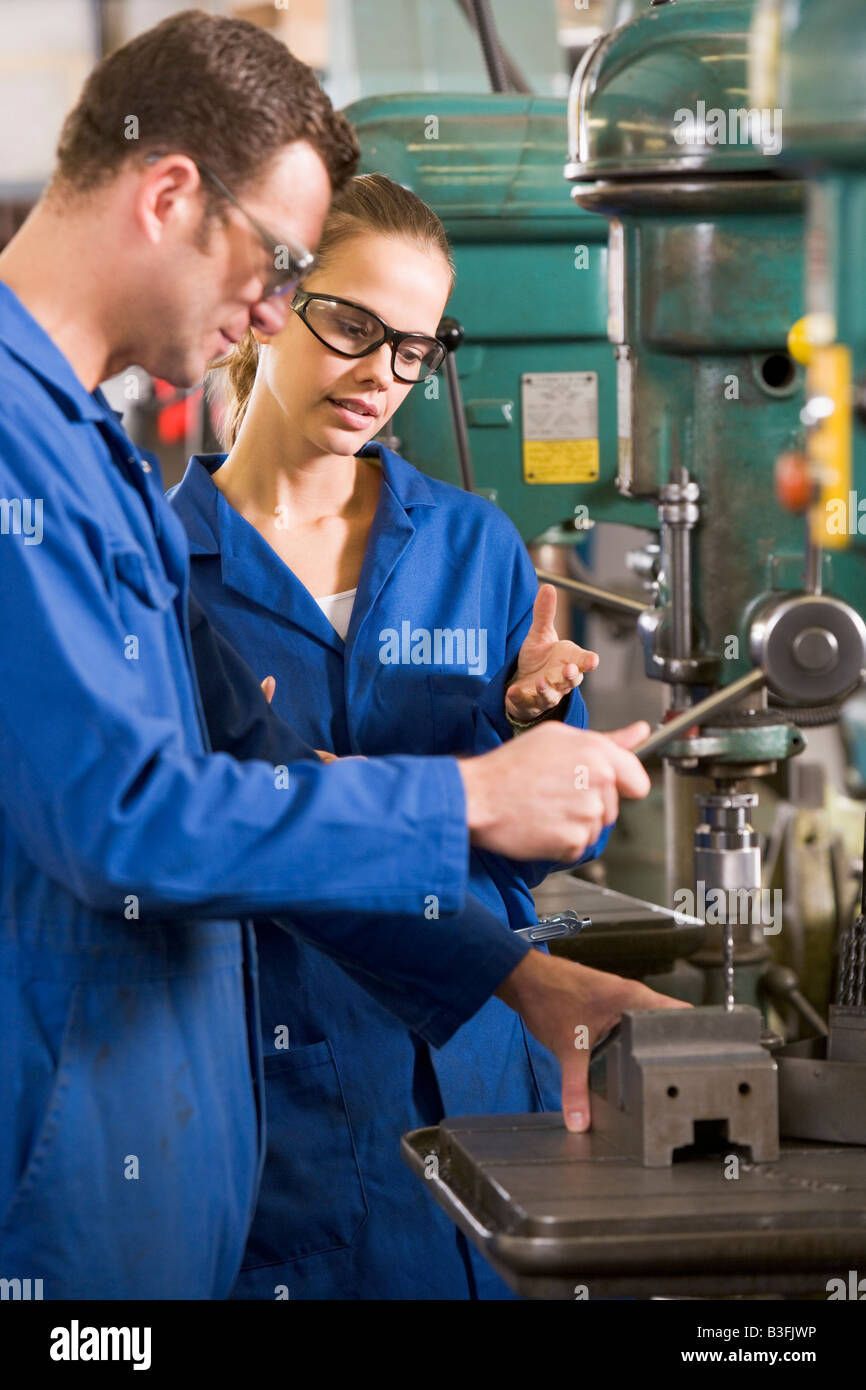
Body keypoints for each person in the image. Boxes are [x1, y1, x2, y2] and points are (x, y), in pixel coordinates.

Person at [0, 10, 687, 1300]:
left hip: (172, 1186)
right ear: (167, 195)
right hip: (78, 1195)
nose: (269, 304)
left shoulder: (87, 461)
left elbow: (259, 769)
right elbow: (130, 819)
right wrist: (469, 793)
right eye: (284, 270)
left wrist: (518, 972)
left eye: (414, 349)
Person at [166, 173, 654, 1300]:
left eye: (414, 351)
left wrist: (537, 717)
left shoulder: (473, 545)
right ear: (272, 295)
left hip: (492, 1062)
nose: (380, 376)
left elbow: (543, 849)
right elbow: (216, 832)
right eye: (352, 326)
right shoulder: (162, 566)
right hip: (288, 1088)